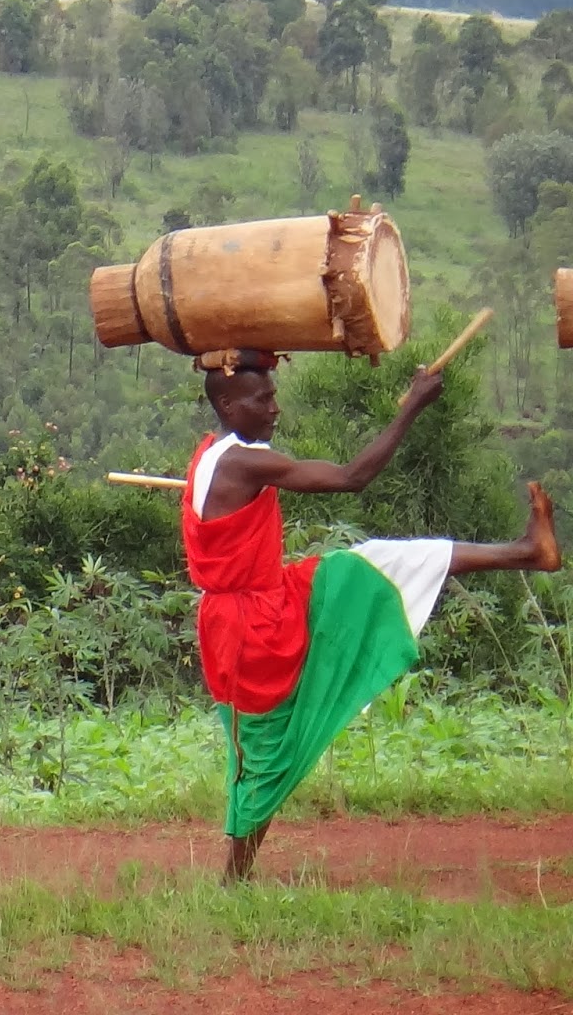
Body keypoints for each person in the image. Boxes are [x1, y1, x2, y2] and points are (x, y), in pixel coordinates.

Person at [186, 350, 561, 882]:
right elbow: (352, 477)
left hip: (273, 597)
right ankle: (234, 878)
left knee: (382, 563)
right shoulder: (244, 462)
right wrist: (410, 408)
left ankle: (526, 553)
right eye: (262, 398)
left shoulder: (216, 453)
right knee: (262, 750)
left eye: (273, 394)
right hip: (247, 627)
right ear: (227, 403)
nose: (275, 407)